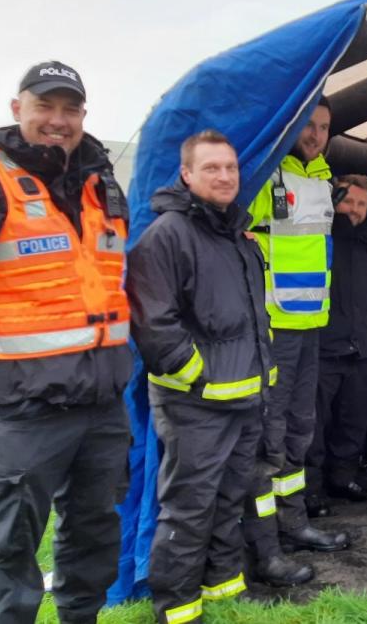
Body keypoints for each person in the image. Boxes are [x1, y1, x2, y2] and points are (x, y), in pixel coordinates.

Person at [0, 61, 133, 623]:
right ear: (16, 110)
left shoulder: (103, 184)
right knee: (10, 548)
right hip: (28, 411)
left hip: (102, 407)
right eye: (44, 107)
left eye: (70, 109)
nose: (58, 121)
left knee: (93, 540)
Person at [128, 130, 275, 622]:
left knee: (230, 500)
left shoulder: (237, 234)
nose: (225, 176)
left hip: (244, 397)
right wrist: (199, 379)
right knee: (189, 508)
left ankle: (224, 591)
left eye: (231, 167)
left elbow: (254, 319)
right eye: (212, 168)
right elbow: (153, 323)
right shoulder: (167, 235)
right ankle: (177, 609)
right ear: (187, 175)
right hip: (197, 404)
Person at [244, 97, 347, 582]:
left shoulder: (324, 179)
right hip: (275, 323)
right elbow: (241, 232)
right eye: (309, 126)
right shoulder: (269, 175)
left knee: (301, 429)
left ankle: (295, 522)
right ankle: (265, 544)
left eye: (324, 127)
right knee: (272, 433)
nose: (316, 135)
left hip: (312, 323)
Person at [306, 175, 367, 510]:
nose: (354, 210)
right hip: (326, 345)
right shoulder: (321, 237)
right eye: (348, 202)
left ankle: (343, 477)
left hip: (361, 346)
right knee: (314, 425)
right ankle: (310, 488)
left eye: (361, 204)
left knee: (353, 421)